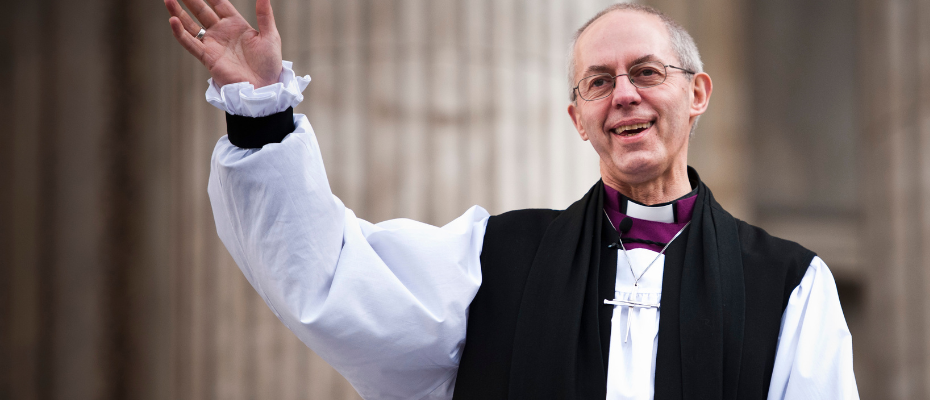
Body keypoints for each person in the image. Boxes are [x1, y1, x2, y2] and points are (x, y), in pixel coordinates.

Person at [164, 0, 859, 398]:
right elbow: (338, 282)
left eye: (647, 72)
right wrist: (262, 114)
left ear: (697, 93)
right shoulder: (494, 260)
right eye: (598, 82)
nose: (624, 94)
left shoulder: (790, 286)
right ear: (578, 117)